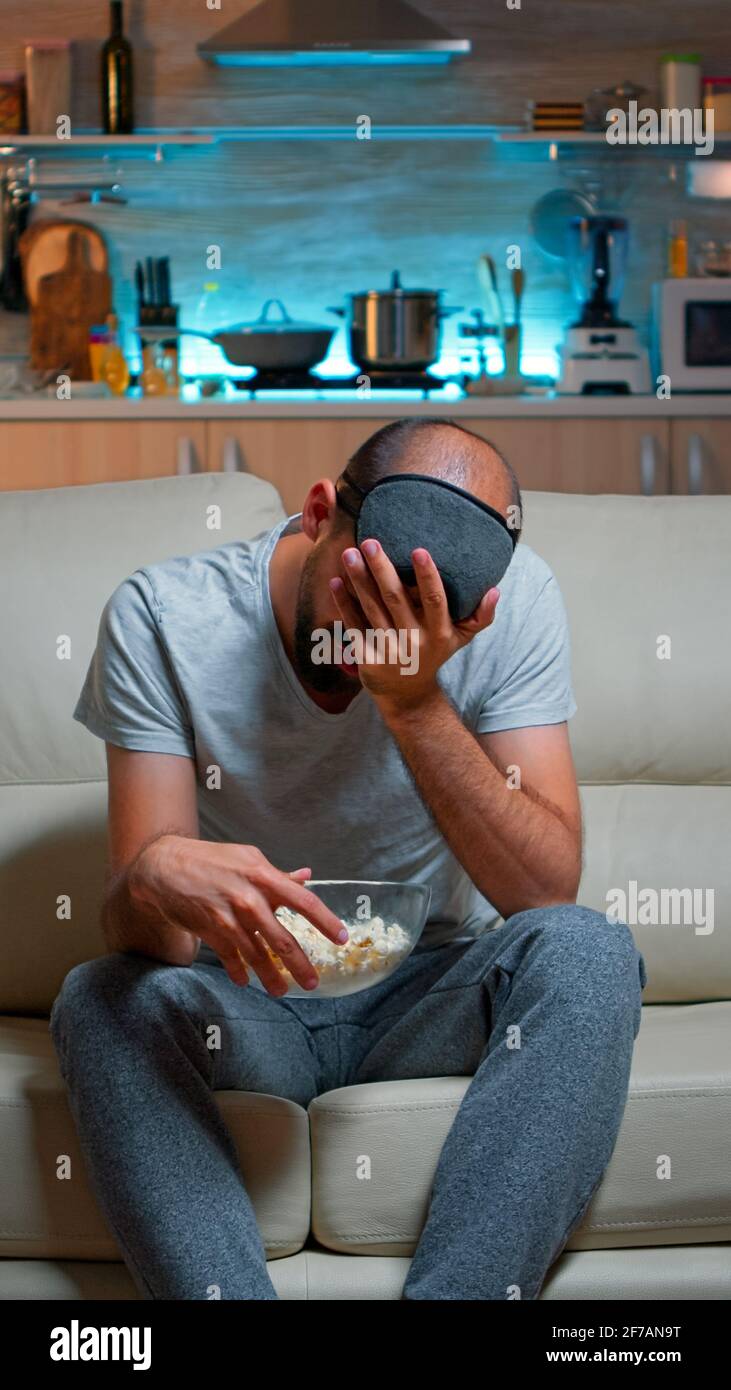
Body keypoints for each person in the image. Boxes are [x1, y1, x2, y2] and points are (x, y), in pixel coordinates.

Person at [50, 417, 647, 1301]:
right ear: (319, 513)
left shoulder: (510, 609)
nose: (358, 649)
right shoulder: (164, 615)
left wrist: (413, 701)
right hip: (247, 996)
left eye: (403, 625)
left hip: (429, 988)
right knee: (99, 996)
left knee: (589, 951)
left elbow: (542, 888)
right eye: (353, 606)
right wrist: (153, 878)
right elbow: (153, 943)